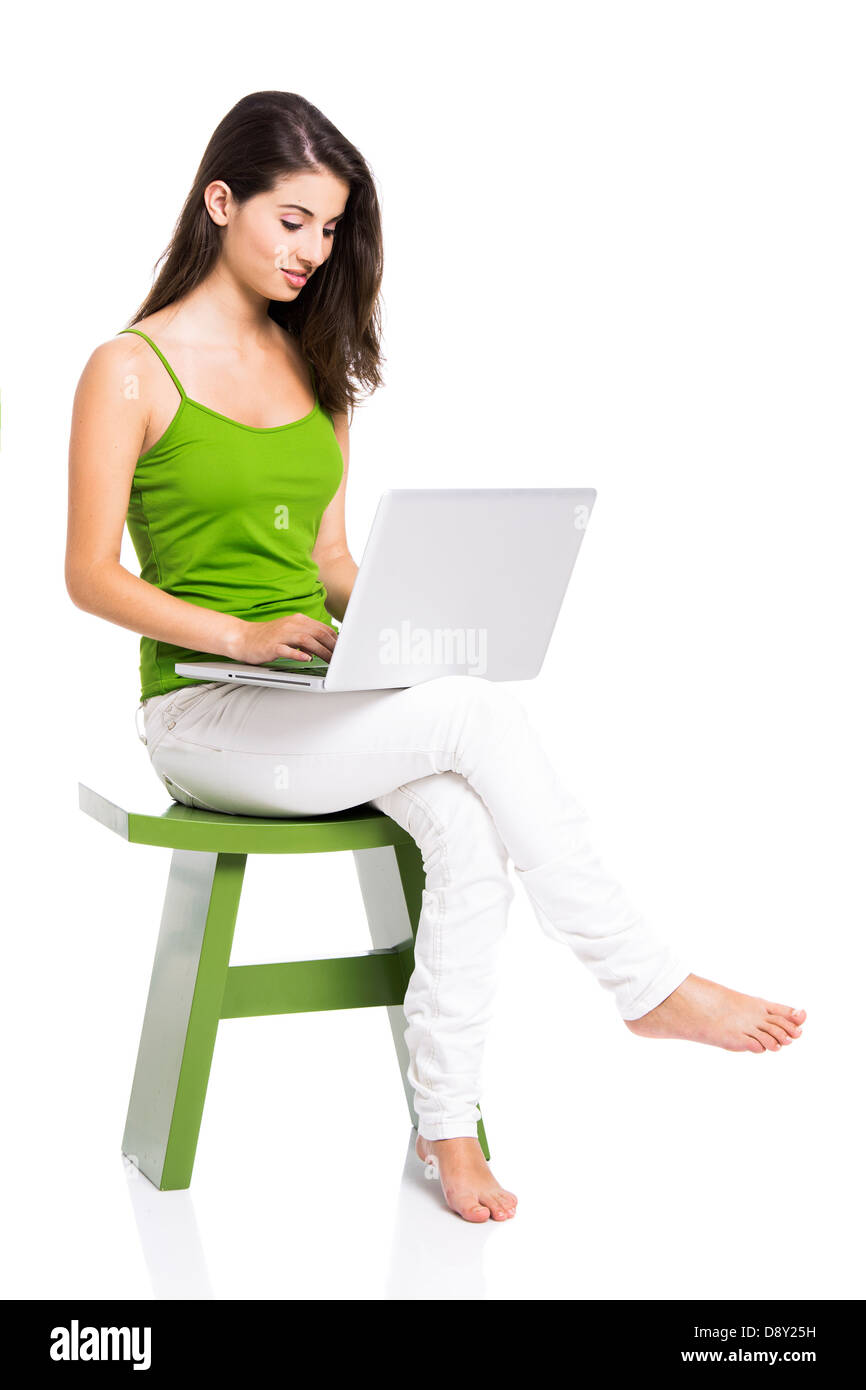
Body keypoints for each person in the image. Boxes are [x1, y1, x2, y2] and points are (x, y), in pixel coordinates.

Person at [65, 90, 807, 1225]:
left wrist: (423, 614)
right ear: (221, 202)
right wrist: (239, 636)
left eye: (329, 229)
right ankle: (646, 983)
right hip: (206, 711)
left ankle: (446, 1130)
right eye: (291, 220)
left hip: (310, 695)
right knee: (474, 719)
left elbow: (326, 560)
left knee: (465, 826)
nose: (314, 251)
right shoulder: (128, 368)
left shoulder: (314, 367)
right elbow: (89, 573)